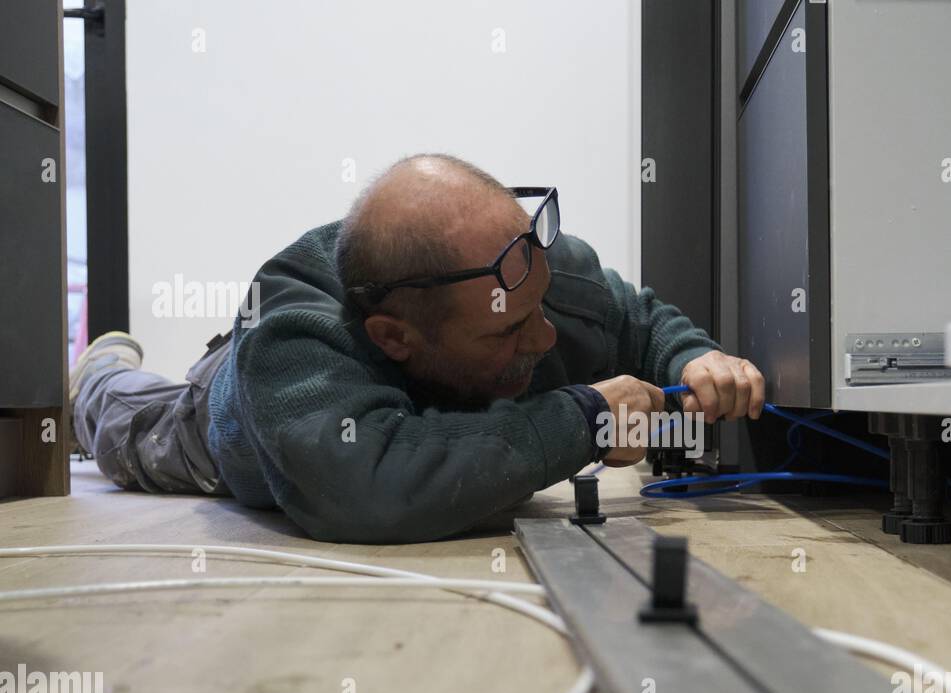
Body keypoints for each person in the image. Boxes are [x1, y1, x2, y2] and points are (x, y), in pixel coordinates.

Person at [70, 154, 766, 543]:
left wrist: (693, 359)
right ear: (391, 338)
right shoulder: (293, 345)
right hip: (226, 410)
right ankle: (101, 369)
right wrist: (583, 418)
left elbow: (635, 320)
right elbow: (365, 490)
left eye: (538, 309)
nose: (545, 335)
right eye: (508, 334)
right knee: (127, 426)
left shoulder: (522, 273)